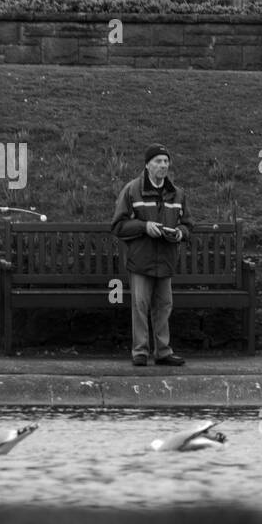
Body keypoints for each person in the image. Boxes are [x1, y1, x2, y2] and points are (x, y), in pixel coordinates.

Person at [111, 144, 190, 366]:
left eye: (166, 161)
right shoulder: (131, 190)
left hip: (166, 259)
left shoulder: (178, 194)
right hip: (141, 260)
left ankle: (163, 351)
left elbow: (189, 225)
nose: (163, 165)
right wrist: (144, 227)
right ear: (147, 165)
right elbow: (118, 226)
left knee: (164, 306)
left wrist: (179, 233)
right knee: (140, 305)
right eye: (158, 161)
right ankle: (140, 352)